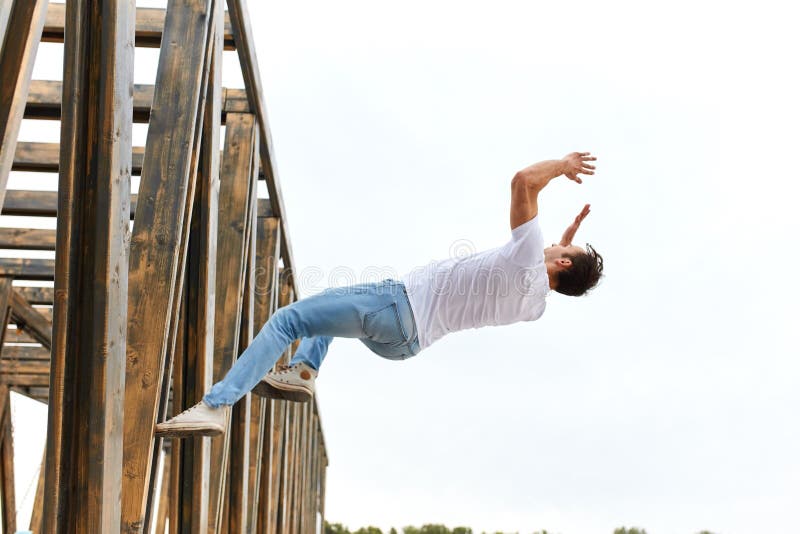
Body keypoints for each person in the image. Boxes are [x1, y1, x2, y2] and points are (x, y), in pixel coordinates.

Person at [155, 151, 604, 437]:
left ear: (560, 261)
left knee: (291, 319)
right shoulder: (535, 306)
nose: (551, 244)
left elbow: (524, 180)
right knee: (327, 314)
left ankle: (217, 405)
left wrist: (562, 168)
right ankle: (305, 371)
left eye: (561, 249)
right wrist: (566, 240)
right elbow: (546, 271)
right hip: (406, 345)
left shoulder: (527, 256)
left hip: (397, 307)